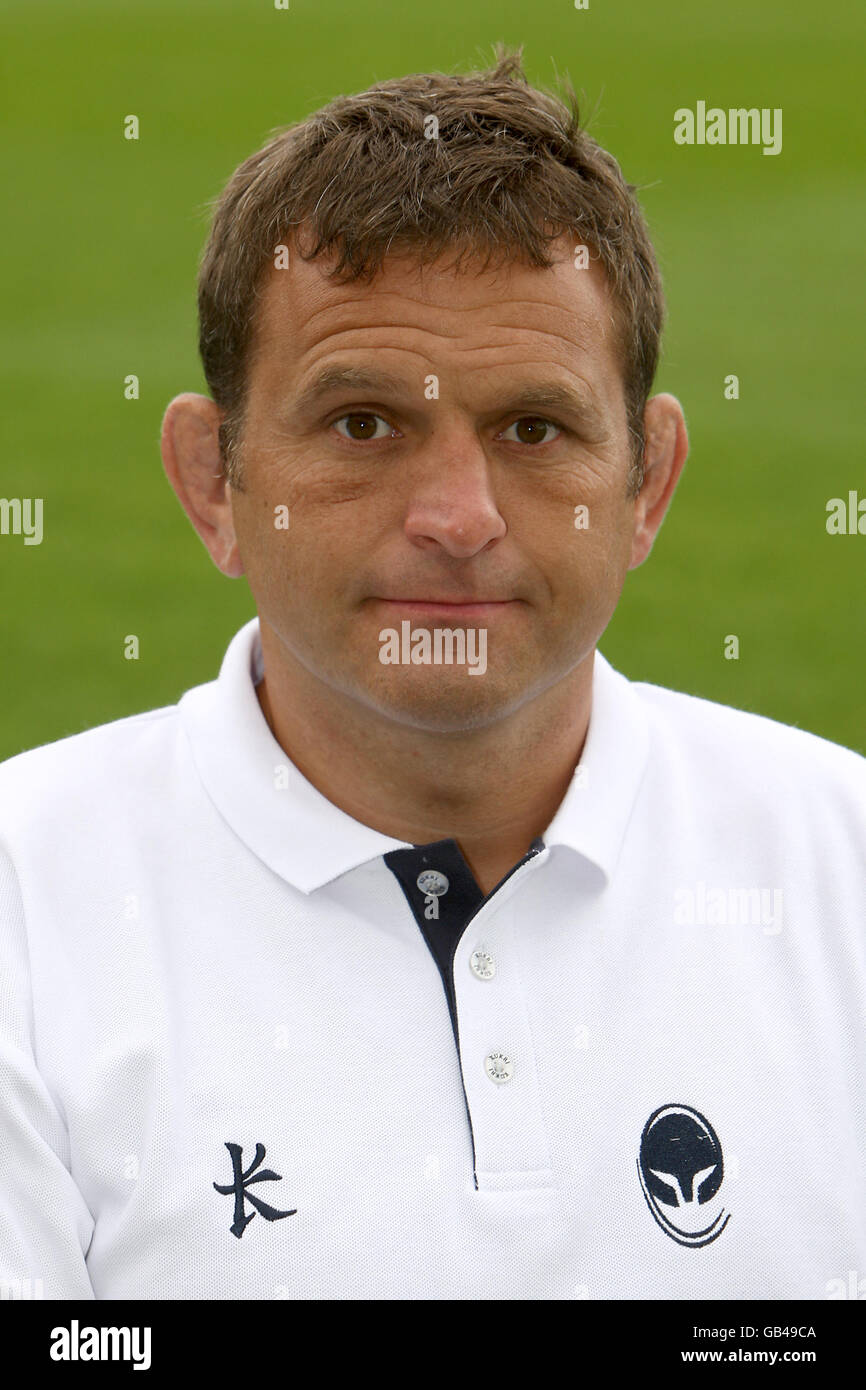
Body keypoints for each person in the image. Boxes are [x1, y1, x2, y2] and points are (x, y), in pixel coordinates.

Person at [1, 46, 863, 1301]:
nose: (457, 518)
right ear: (214, 484)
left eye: (534, 428)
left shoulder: (844, 872)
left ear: (646, 485)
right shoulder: (20, 915)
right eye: (362, 423)